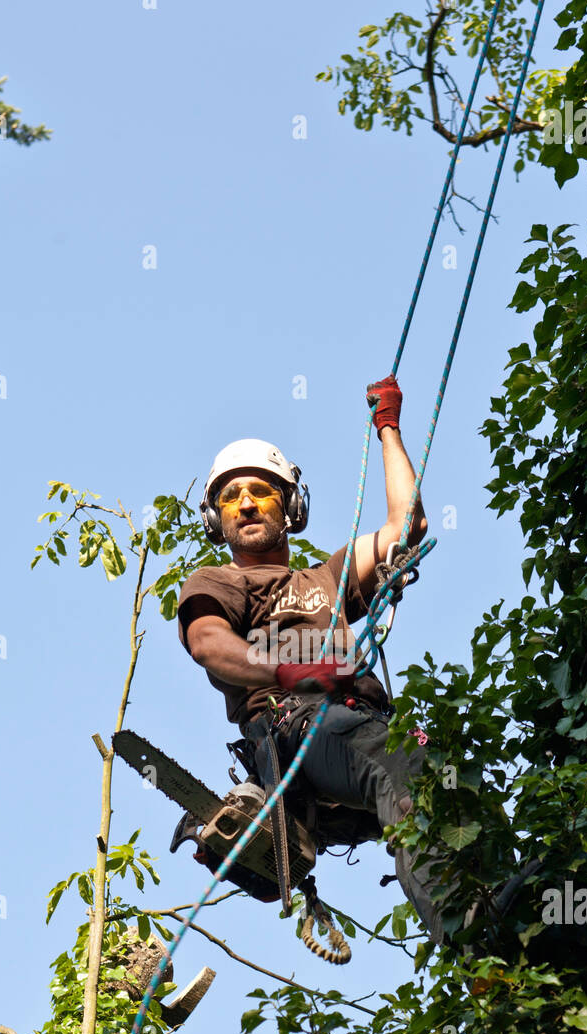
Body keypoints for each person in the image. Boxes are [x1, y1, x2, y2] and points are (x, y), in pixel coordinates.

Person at [175, 374, 478, 945]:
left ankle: (506, 923)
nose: (245, 503)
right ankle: (467, 930)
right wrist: (283, 668)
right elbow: (209, 644)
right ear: (216, 519)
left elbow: (405, 528)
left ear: (289, 506)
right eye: (230, 496)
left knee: (451, 780)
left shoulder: (327, 579)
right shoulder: (216, 581)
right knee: (403, 768)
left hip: (358, 725)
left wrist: (388, 429)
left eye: (260, 491)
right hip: (295, 726)